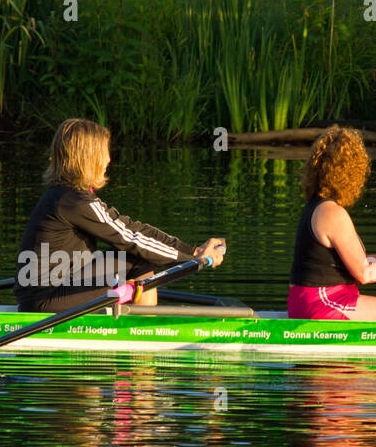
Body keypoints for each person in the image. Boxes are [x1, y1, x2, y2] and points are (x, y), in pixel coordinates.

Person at [15, 118, 226, 312]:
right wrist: (193, 260)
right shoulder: (73, 201)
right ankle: (142, 336)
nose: (108, 159)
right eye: (104, 152)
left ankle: (135, 322)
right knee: (138, 259)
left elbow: (132, 228)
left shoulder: (71, 196)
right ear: (88, 158)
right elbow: (130, 239)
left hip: (51, 290)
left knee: (136, 258)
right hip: (45, 301)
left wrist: (192, 251)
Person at [287, 125, 376, 320]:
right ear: (352, 173)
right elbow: (364, 274)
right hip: (322, 303)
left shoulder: (317, 206)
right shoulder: (332, 213)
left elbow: (361, 263)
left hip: (310, 301)